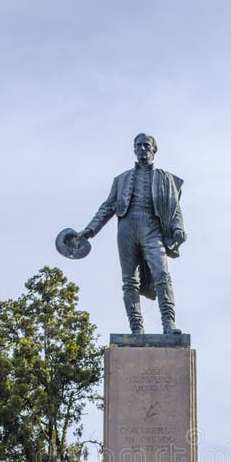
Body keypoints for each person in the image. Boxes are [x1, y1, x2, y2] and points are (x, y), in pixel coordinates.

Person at [78, 133, 186, 335]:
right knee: (129, 280)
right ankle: (136, 329)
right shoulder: (121, 179)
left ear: (154, 150)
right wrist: (90, 230)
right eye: (138, 145)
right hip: (127, 227)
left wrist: (178, 227)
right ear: (134, 149)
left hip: (152, 227)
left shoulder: (165, 178)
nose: (142, 149)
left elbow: (175, 208)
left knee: (162, 274)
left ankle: (169, 324)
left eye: (146, 145)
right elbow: (107, 207)